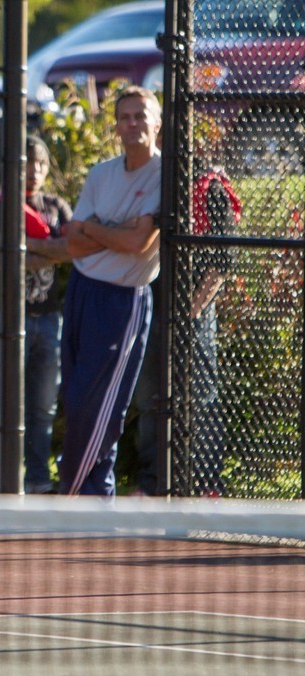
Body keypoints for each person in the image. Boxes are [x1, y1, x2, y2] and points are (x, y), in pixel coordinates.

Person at [59, 86, 162, 497]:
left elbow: (139, 246)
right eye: (125, 117)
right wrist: (117, 232)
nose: (132, 123)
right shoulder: (101, 173)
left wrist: (96, 230)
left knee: (101, 402)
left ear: (157, 122)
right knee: (76, 394)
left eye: (141, 116)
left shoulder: (163, 173)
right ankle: (89, 493)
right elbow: (72, 241)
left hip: (125, 299)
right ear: (116, 125)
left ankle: (82, 494)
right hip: (83, 291)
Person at [132, 156, 239, 496]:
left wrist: (193, 310)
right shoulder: (150, 181)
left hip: (193, 313)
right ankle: (154, 483)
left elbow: (223, 260)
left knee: (200, 396)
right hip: (151, 305)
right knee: (151, 395)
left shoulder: (210, 186)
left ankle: (207, 484)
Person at [0, 135, 73, 494]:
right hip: (8, 323)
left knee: (42, 408)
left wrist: (25, 246)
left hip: (50, 321)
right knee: (2, 405)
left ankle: (37, 482)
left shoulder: (56, 206)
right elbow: (0, 258)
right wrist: (46, 250)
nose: (33, 171)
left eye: (40, 164)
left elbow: (71, 250)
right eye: (25, 163)